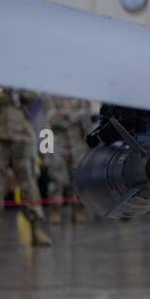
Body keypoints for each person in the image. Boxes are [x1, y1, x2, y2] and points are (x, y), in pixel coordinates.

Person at [0, 88, 52, 246]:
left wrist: (16, 90)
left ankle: (36, 228)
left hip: (22, 135)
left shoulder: (18, 74)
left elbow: (35, 96)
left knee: (28, 181)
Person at [42, 95, 95, 223]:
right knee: (56, 179)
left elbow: (86, 120)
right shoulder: (51, 96)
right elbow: (48, 119)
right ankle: (55, 210)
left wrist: (68, 115)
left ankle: (78, 210)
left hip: (78, 144)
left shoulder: (81, 97)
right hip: (57, 144)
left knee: (78, 179)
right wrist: (70, 116)